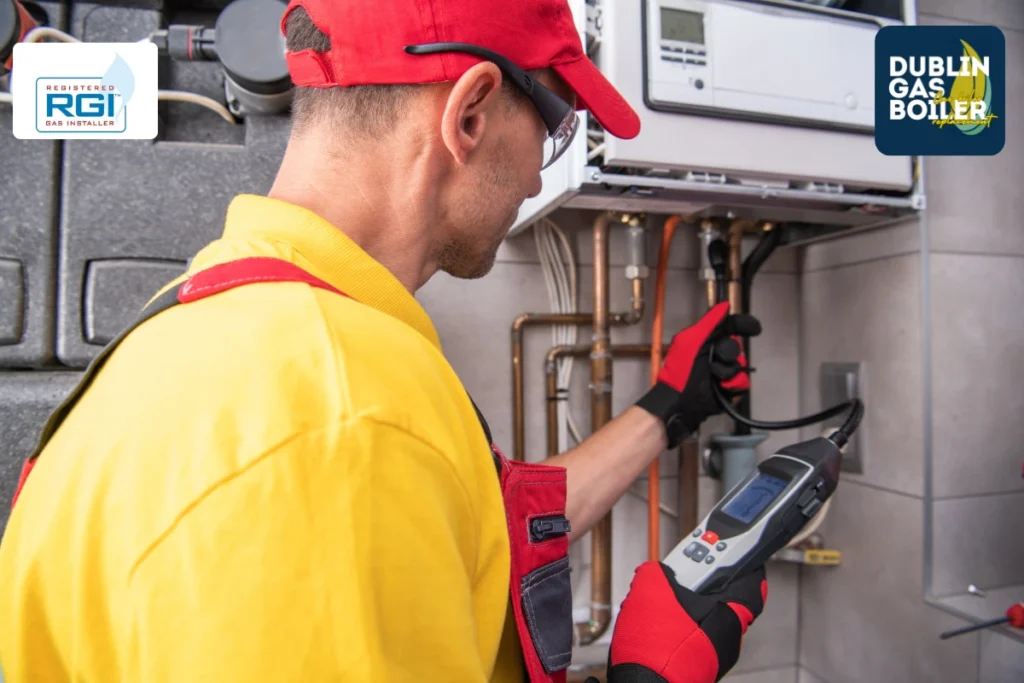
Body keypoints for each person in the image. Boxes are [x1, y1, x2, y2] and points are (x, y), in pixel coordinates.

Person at [0, 0, 768, 681]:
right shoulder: (340, 420)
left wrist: (669, 405)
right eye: (555, 125)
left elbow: (485, 535)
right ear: (470, 113)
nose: (538, 177)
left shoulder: (197, 326)